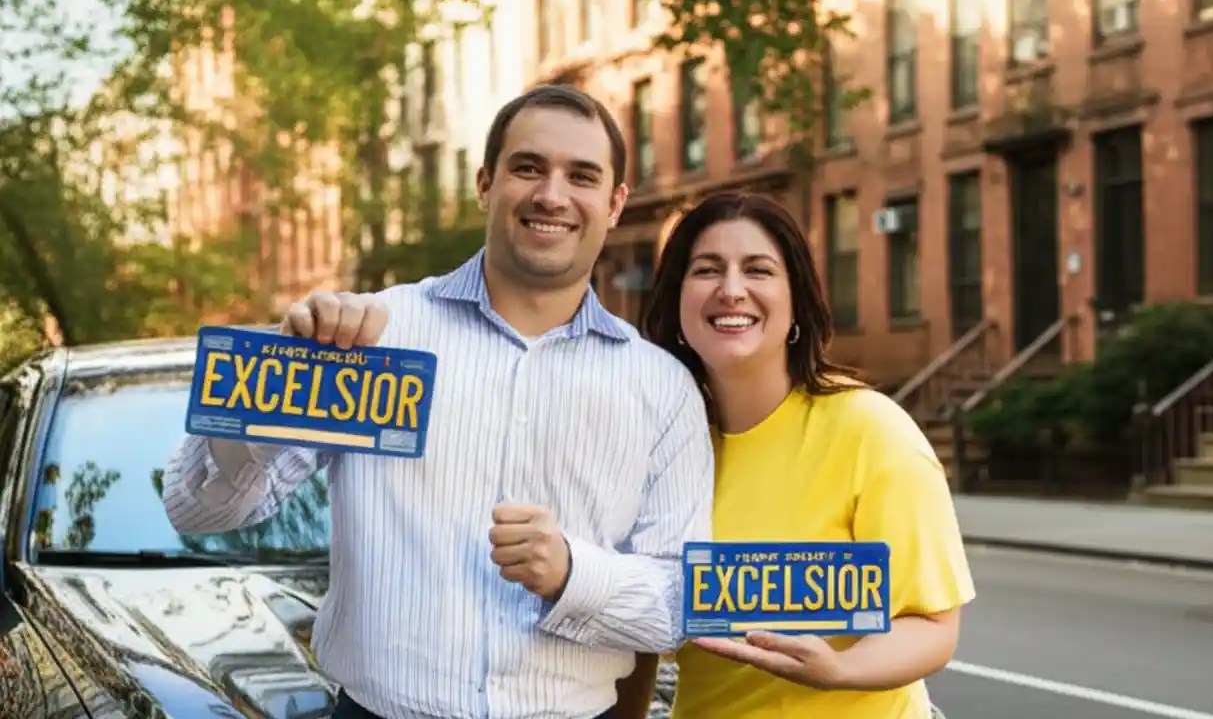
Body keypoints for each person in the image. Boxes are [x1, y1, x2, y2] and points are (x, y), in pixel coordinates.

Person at [161, 85, 715, 719]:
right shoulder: (371, 337)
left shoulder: (662, 387)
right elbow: (193, 508)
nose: (552, 195)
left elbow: (679, 602)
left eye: (581, 176)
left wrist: (572, 573)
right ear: (485, 183)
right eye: (528, 167)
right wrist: (276, 384)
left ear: (615, 204)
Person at [617, 191, 976, 719]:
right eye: (707, 270)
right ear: (675, 300)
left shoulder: (871, 431)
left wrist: (839, 671)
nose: (731, 290)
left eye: (758, 270)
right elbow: (636, 637)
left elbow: (933, 628)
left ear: (795, 303)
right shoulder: (656, 446)